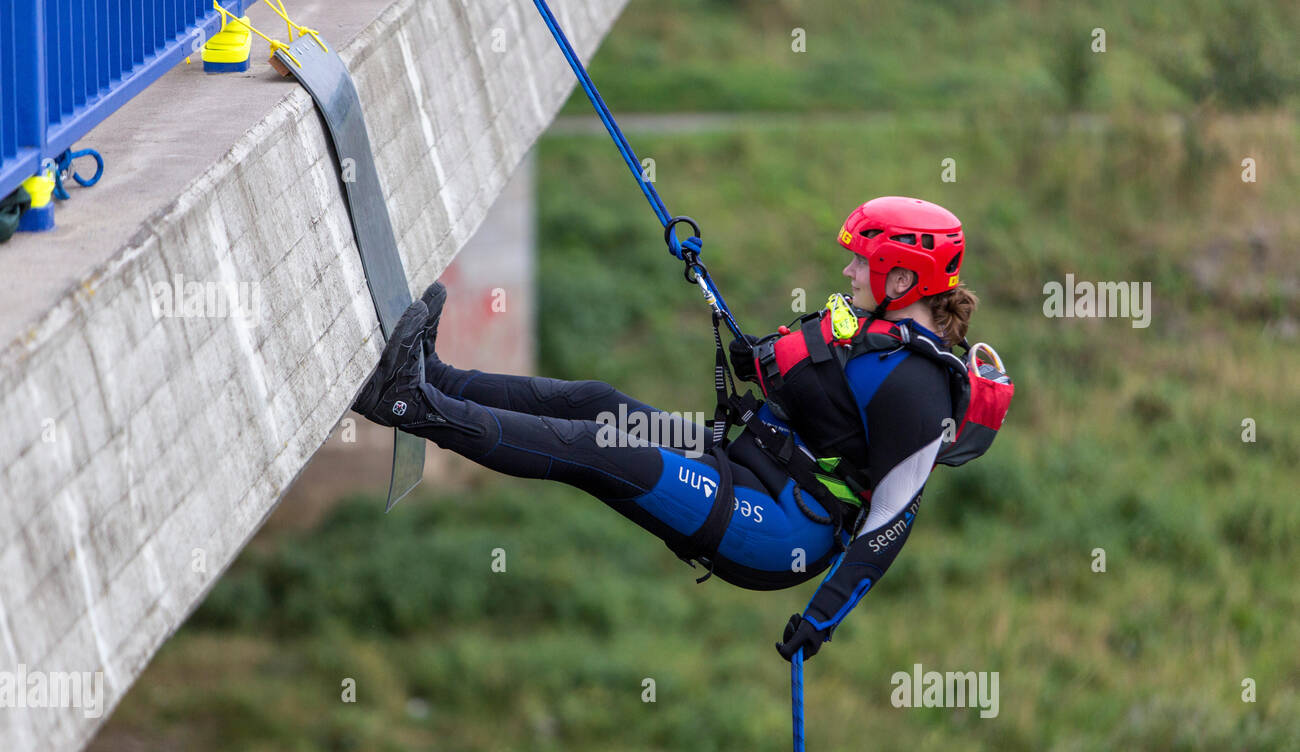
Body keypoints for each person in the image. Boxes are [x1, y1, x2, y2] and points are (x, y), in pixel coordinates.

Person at [351, 196, 984, 662]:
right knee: (598, 404)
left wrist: (821, 619)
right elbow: (820, 395)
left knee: (602, 449)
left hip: (780, 526)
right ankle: (433, 375)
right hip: (744, 463)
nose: (847, 273)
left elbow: (890, 525)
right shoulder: (876, 334)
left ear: (901, 279)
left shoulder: (921, 390)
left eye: (861, 263)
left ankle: (408, 403)